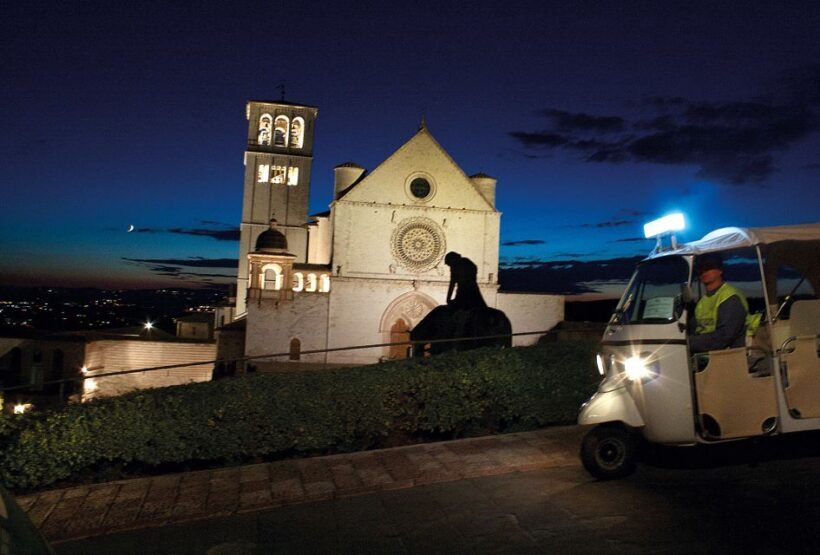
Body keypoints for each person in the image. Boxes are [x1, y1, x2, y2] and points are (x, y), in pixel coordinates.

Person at [689, 254, 750, 353]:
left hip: (728, 358)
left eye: (709, 267)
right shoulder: (702, 301)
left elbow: (724, 336)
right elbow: (693, 329)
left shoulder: (730, 297)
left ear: (720, 270)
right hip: (704, 357)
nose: (704, 271)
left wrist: (688, 343)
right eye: (701, 268)